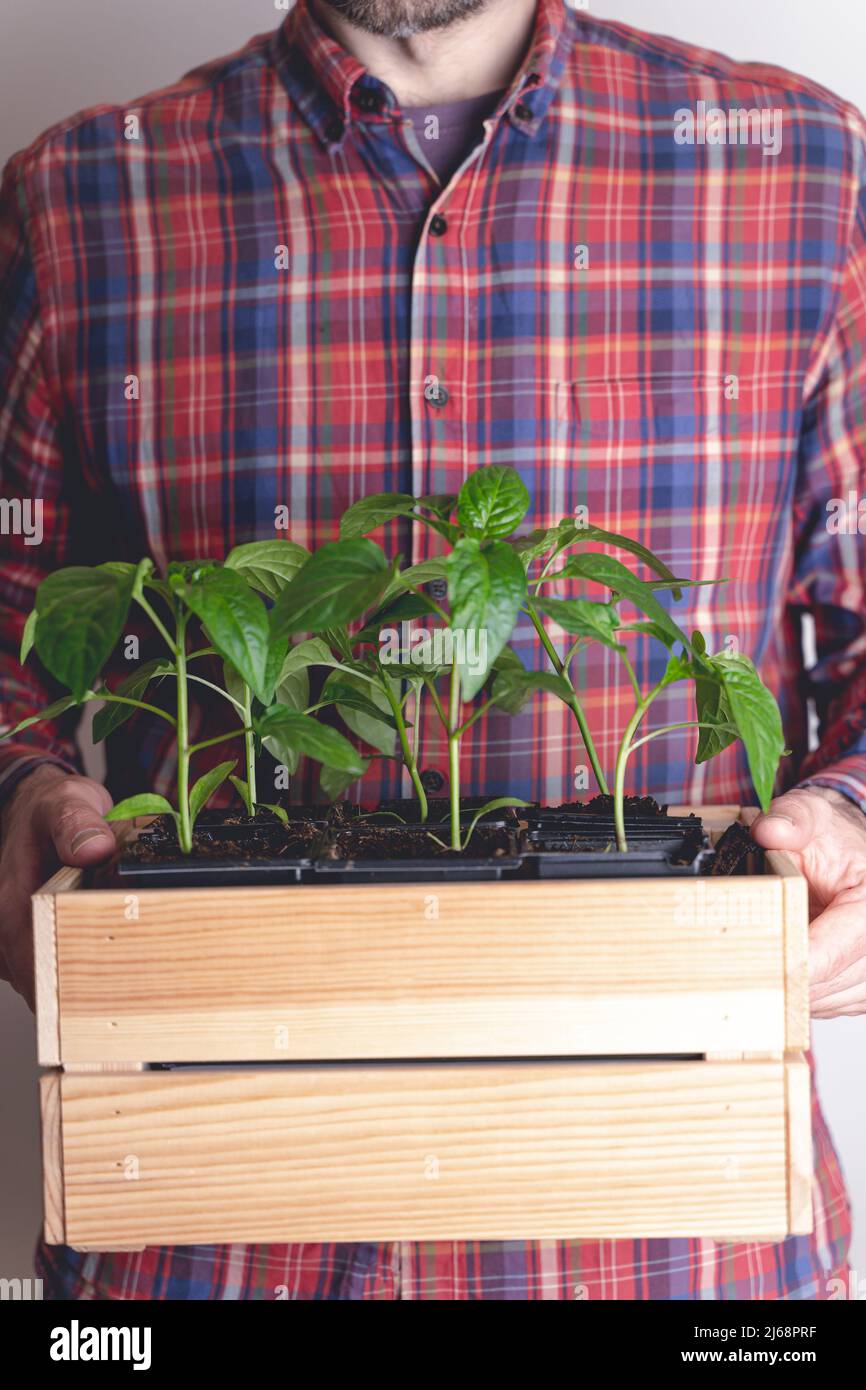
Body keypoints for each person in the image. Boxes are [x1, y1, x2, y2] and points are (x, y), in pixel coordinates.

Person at [1, 0, 864, 1301]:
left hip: (672, 1243)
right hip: (199, 1230)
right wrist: (12, 802)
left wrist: (850, 821)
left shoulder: (805, 166)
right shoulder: (77, 196)